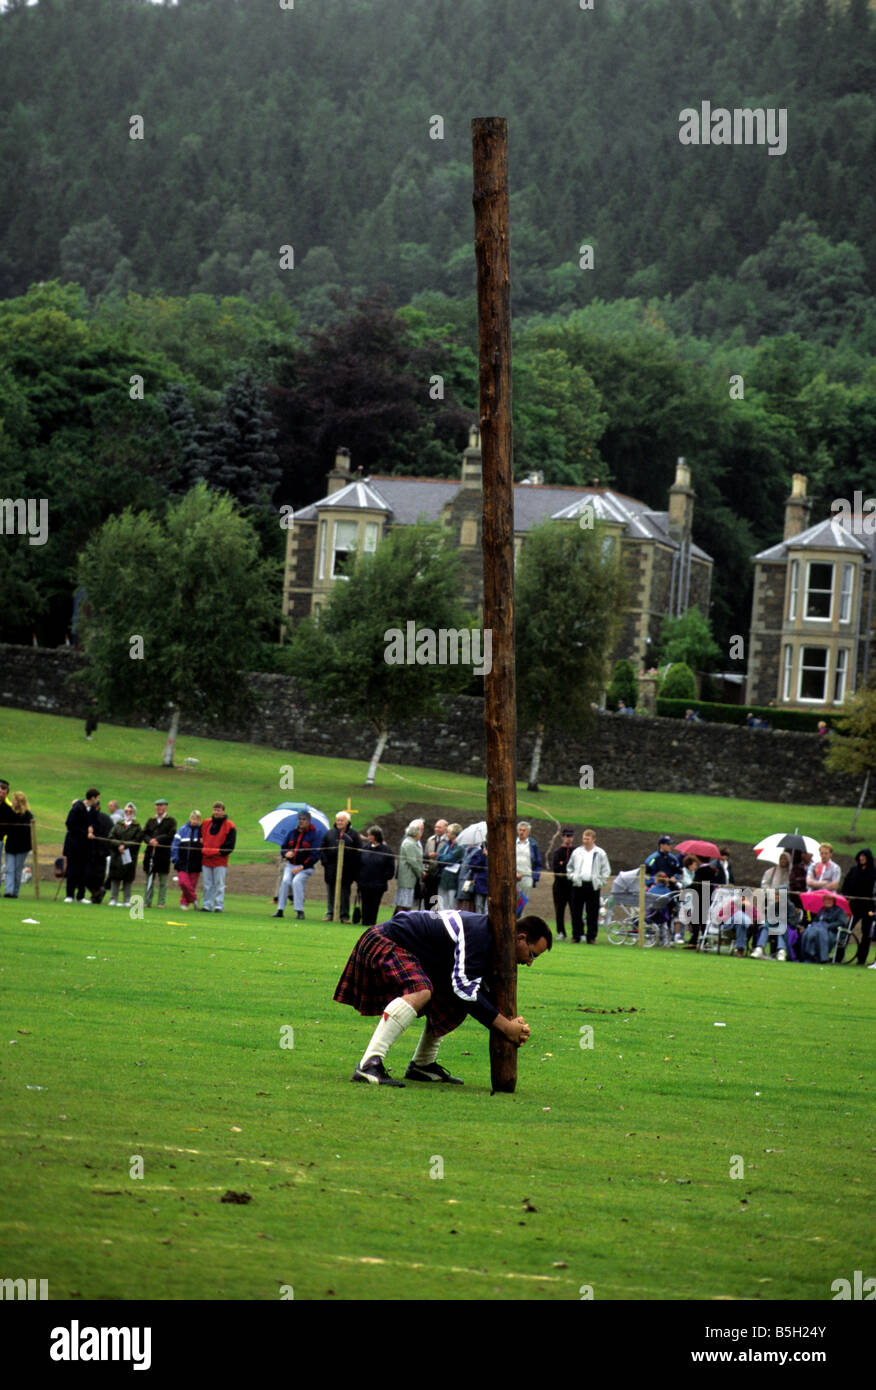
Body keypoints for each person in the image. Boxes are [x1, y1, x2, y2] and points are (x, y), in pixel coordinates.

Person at [334, 907, 552, 1086]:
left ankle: (422, 1065)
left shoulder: (492, 940)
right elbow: (464, 989)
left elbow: (475, 992)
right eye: (532, 954)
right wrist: (505, 1027)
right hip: (384, 940)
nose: (530, 962)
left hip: (410, 952)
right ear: (521, 938)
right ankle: (368, 1065)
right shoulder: (479, 933)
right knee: (421, 990)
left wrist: (512, 1024)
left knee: (453, 1000)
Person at [272, 811, 320, 920]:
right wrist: (286, 854)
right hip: (291, 865)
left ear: (308, 821)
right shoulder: (292, 833)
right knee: (285, 881)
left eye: (303, 819)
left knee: (296, 881)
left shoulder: (314, 835)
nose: (301, 821)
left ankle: (299, 910)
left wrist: (302, 867)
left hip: (305, 867)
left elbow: (315, 855)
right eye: (299, 819)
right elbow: (284, 847)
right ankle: (280, 909)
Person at [567, 828, 611, 943]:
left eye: (587, 839)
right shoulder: (577, 852)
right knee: (576, 912)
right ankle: (576, 935)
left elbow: (606, 870)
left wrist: (600, 882)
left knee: (593, 912)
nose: (585, 841)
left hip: (593, 886)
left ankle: (591, 937)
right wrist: (573, 877)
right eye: (584, 838)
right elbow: (569, 867)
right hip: (578, 885)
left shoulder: (600, 853)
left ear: (593, 839)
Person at [320, 811, 361, 922]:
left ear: (347, 822)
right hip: (331, 869)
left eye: (342, 820)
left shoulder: (354, 835)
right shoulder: (329, 834)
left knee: (344, 893)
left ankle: (344, 916)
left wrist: (353, 867)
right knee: (331, 892)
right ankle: (330, 913)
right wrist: (325, 863)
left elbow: (358, 852)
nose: (339, 822)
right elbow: (322, 849)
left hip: (347, 870)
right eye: (338, 820)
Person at [63, 788, 100, 902]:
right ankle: (69, 895)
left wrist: (92, 829)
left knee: (84, 872)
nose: (98, 800)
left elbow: (95, 823)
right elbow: (69, 824)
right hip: (74, 845)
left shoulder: (93, 810)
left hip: (86, 847)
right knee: (72, 870)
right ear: (92, 798)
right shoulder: (77, 807)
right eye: (97, 798)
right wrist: (85, 833)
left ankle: (81, 896)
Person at [841, 848, 876, 966]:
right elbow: (846, 884)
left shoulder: (874, 872)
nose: (861, 858)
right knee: (847, 929)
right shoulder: (854, 870)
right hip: (854, 905)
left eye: (864, 856)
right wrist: (847, 896)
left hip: (868, 906)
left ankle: (861, 959)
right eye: (860, 856)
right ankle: (839, 955)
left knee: (866, 933)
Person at [142, 799, 178, 909]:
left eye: (161, 806)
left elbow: (171, 835)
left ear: (166, 807)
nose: (159, 808)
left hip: (163, 854)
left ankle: (161, 903)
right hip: (151, 853)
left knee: (163, 880)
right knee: (149, 879)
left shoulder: (170, 820)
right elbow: (144, 834)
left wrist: (158, 840)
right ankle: (147, 901)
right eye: (157, 806)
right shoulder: (151, 820)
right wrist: (150, 841)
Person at [201, 801, 236, 913]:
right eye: (215, 810)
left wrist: (219, 852)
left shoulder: (229, 825)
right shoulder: (206, 823)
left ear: (223, 811)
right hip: (206, 858)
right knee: (207, 884)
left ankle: (218, 905)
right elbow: (200, 836)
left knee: (219, 884)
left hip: (220, 860)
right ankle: (207, 905)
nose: (216, 812)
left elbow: (230, 845)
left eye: (219, 810)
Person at [357, 825, 395, 927]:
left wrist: (385, 877)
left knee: (374, 904)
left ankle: (372, 923)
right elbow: (359, 863)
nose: (368, 837)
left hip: (378, 884)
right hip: (364, 882)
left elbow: (390, 866)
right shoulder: (365, 848)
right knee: (365, 903)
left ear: (376, 836)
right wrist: (359, 877)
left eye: (370, 835)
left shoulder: (386, 850)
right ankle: (364, 922)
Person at [108, 803, 143, 906]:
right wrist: (118, 845)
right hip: (117, 855)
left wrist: (125, 845)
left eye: (130, 812)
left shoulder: (137, 826)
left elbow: (137, 841)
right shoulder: (118, 824)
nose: (128, 813)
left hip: (129, 855)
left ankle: (127, 900)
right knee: (115, 877)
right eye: (126, 811)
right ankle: (113, 898)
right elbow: (111, 837)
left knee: (127, 878)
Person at [750, 889, 798, 961]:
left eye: (778, 895)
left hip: (787, 928)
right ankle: (759, 948)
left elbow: (793, 923)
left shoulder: (790, 906)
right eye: (775, 895)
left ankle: (781, 951)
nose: (776, 897)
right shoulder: (774, 905)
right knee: (765, 926)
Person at [800, 892, 848, 964]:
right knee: (807, 932)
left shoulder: (839, 911)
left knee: (816, 933)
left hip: (831, 932)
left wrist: (827, 926)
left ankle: (820, 957)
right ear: (823, 901)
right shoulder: (822, 910)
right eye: (826, 899)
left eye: (830, 899)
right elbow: (816, 920)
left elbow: (841, 922)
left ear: (834, 901)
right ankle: (809, 956)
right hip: (818, 929)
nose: (828, 901)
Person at [3, 792, 33, 898]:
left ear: (19, 802)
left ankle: (15, 891)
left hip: (22, 847)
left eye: (14, 800)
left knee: (17, 869)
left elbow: (28, 832)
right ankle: (9, 891)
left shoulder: (28, 815)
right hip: (11, 845)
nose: (12, 801)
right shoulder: (10, 813)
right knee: (9, 869)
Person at [172, 810, 203, 911]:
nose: (195, 821)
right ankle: (195, 899)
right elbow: (175, 845)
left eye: (197, 819)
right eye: (193, 818)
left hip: (196, 863)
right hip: (182, 862)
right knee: (183, 883)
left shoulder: (202, 831)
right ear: (190, 818)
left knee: (191, 885)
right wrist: (175, 857)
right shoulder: (182, 829)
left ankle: (184, 903)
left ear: (199, 820)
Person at [85, 799, 113, 904]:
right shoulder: (86, 819)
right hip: (88, 852)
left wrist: (105, 848)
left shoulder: (105, 819)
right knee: (86, 876)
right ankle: (97, 893)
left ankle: (96, 896)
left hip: (100, 853)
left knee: (98, 877)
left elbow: (110, 835)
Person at [550, 828, 576, 940]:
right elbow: (556, 867)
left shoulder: (576, 851)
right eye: (566, 836)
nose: (568, 838)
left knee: (574, 910)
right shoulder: (557, 852)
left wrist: (563, 863)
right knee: (559, 910)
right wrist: (565, 864)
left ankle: (576, 932)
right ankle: (561, 931)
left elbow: (575, 866)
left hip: (572, 885)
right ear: (563, 837)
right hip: (560, 885)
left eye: (570, 836)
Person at [395, 819, 424, 910]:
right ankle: (402, 921)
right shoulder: (409, 843)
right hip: (407, 878)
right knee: (404, 902)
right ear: (416, 833)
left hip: (410, 878)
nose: (421, 834)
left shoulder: (412, 842)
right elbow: (412, 861)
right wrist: (420, 872)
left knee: (407, 902)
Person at [421, 819, 447, 910]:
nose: (436, 829)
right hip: (429, 875)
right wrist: (424, 870)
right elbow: (424, 857)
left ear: (445, 829)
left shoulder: (448, 841)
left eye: (439, 827)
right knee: (427, 899)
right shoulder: (430, 840)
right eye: (436, 827)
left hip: (440, 875)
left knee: (437, 900)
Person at [436, 824, 464, 910]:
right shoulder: (447, 844)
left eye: (448, 832)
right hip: (443, 877)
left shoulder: (460, 847)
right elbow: (438, 857)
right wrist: (442, 858)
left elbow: (449, 859)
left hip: (453, 880)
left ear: (454, 834)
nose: (446, 834)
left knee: (451, 904)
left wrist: (443, 858)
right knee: (441, 903)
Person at [515, 822, 542, 900]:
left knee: (522, 902)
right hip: (513, 877)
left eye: (524, 830)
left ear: (528, 832)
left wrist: (535, 878)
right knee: (512, 901)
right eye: (520, 830)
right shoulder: (512, 843)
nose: (522, 832)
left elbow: (538, 862)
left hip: (527, 877)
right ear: (517, 831)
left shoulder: (533, 845)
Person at [469, 841, 489, 913]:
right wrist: (483, 856)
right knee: (479, 905)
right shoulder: (479, 853)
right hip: (480, 883)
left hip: (491, 884)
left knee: (488, 908)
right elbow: (472, 866)